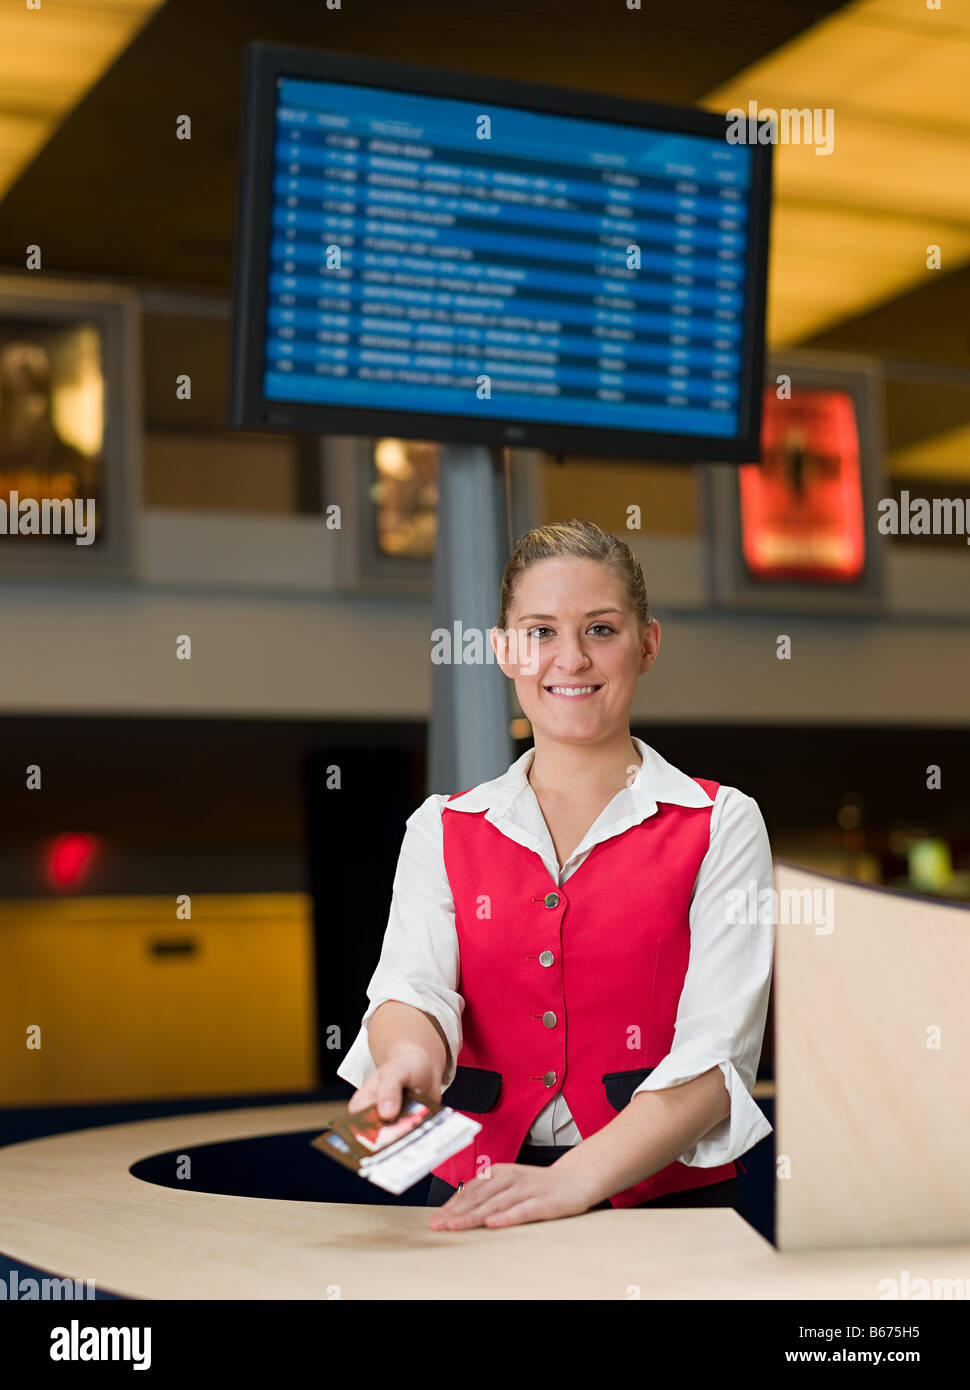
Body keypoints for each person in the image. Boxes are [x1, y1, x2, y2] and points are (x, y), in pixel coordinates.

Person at [337, 518, 774, 1230]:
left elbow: (717, 1058)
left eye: (600, 629)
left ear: (648, 644)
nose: (569, 659)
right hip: (473, 1187)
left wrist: (574, 1181)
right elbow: (411, 989)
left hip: (657, 1200)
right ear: (503, 651)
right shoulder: (441, 827)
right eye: (540, 631)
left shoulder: (720, 821)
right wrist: (405, 1062)